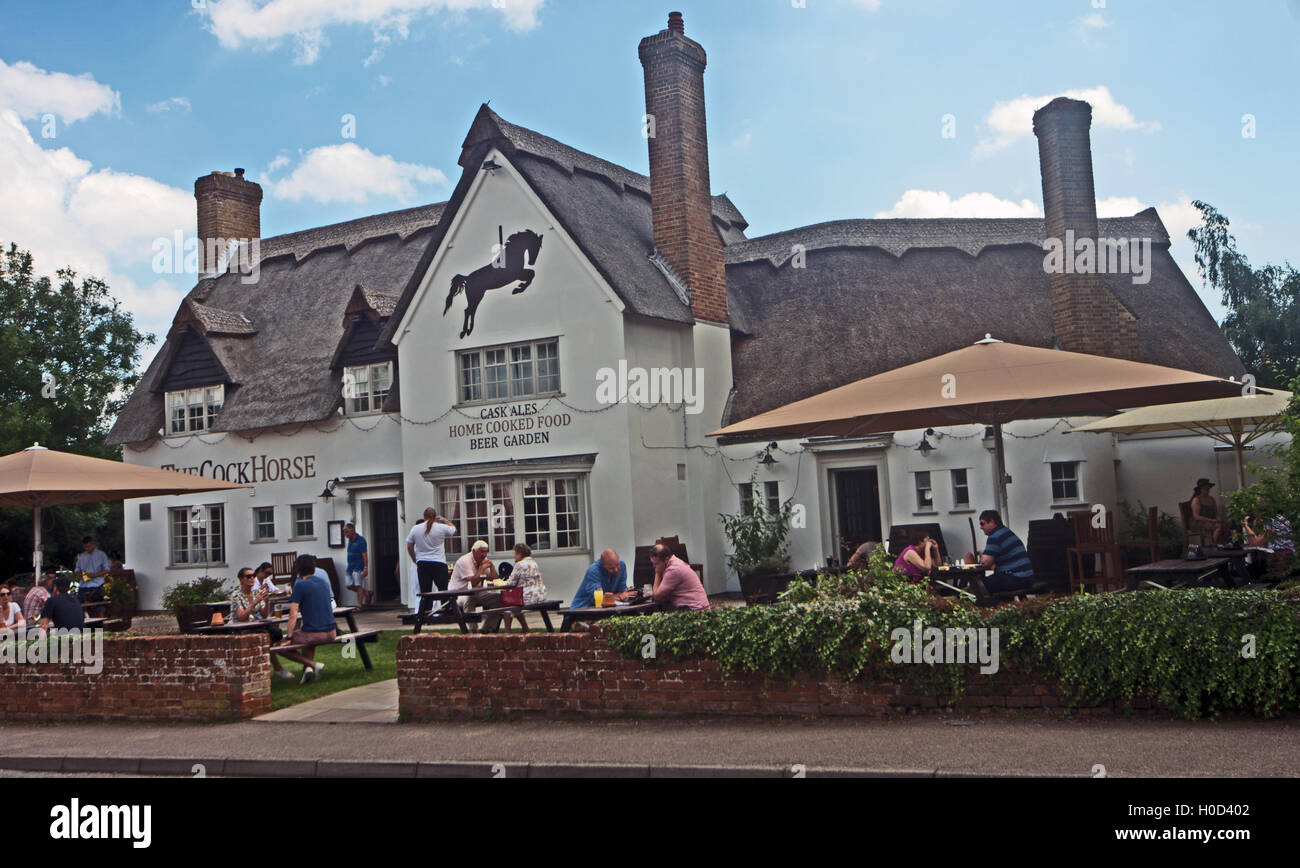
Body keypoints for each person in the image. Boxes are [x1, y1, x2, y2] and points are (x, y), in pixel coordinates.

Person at [276, 554, 335, 684]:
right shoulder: (323, 583)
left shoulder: (300, 585)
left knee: (279, 645)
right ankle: (308, 672)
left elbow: (293, 614)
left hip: (315, 634)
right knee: (307, 640)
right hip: (332, 632)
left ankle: (313, 664)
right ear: (314, 568)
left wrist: (289, 637)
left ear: (298, 569)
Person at [231, 568, 292, 679]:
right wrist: (254, 603)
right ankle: (277, 668)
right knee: (266, 639)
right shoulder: (236, 595)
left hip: (254, 625)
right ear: (241, 579)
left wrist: (267, 600)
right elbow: (241, 617)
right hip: (240, 628)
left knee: (276, 632)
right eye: (248, 576)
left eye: (253, 575)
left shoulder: (255, 593)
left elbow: (264, 615)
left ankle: (274, 667)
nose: (252, 578)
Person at [481, 543, 547, 633]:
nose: (514, 556)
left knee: (507, 605)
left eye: (515, 553)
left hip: (529, 597)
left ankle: (507, 633)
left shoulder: (519, 564)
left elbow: (511, 583)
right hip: (541, 595)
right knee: (514, 605)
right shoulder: (533, 563)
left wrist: (498, 583)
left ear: (520, 554)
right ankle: (525, 629)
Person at [406, 508, 458, 620]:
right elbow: (454, 529)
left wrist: (415, 559)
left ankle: (426, 614)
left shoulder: (416, 529)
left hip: (423, 563)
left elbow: (409, 546)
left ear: (424, 517)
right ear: (435, 517)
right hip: (439, 562)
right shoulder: (441, 527)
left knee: (426, 591)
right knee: (443, 590)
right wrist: (444, 520)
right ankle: (446, 612)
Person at [975, 510, 1034, 598]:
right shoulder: (1006, 532)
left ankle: (987, 607)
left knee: (977, 586)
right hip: (1028, 577)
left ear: (991, 521)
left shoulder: (995, 536)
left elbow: (985, 563)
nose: (980, 527)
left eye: (982, 524)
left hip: (1016, 578)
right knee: (994, 580)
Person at [452, 541, 500, 627]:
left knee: (498, 598)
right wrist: (482, 568)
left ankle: (487, 628)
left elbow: (495, 578)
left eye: (486, 552)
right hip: (458, 594)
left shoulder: (483, 561)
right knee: (470, 598)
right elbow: (473, 582)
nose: (484, 555)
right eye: (482, 552)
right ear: (474, 551)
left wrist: (492, 566)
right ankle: (473, 630)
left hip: (476, 592)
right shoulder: (464, 561)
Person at [649, 543, 709, 611]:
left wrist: (657, 573)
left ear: (666, 559)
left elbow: (657, 596)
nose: (654, 567)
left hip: (694, 610)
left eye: (656, 564)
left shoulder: (673, 570)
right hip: (697, 606)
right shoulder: (675, 562)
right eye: (653, 563)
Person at [1190, 478, 1229, 545]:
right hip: (1199, 522)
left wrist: (1218, 518)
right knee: (1218, 526)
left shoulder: (1211, 499)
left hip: (1212, 520)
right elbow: (1196, 516)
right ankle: (1213, 544)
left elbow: (1216, 512)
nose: (1207, 490)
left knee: (1224, 525)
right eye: (1205, 488)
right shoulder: (1197, 499)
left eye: (1208, 488)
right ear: (1200, 489)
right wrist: (1211, 520)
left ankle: (1223, 544)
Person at [74, 536, 111, 605]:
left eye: (88, 546)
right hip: (84, 585)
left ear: (92, 544)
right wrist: (81, 575)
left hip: (97, 585)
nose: (87, 549)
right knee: (81, 605)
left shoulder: (101, 555)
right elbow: (77, 570)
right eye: (85, 547)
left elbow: (107, 569)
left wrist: (94, 575)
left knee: (98, 606)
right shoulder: (81, 556)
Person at [343, 523, 371, 609]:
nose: (345, 534)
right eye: (344, 532)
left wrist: (365, 567)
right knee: (349, 585)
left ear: (352, 531)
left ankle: (359, 604)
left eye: (346, 532)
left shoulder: (361, 540)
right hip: (350, 566)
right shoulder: (350, 541)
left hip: (358, 566)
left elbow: (364, 555)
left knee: (358, 585)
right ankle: (367, 593)